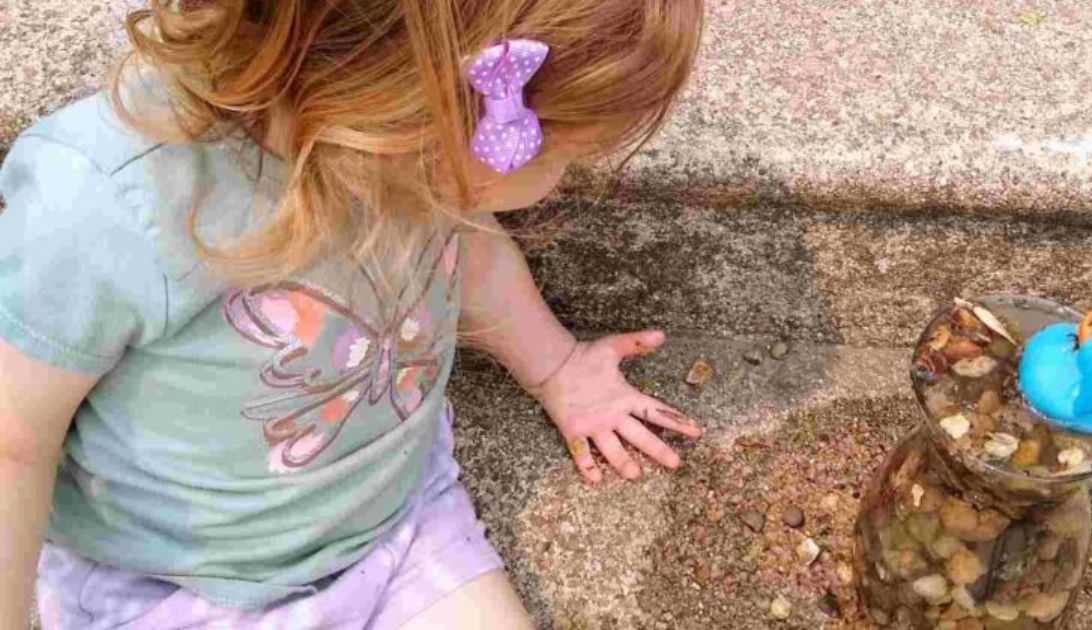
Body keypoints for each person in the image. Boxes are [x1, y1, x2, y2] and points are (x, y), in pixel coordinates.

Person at [0, 0, 704, 627]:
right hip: (169, 574)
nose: (572, 174)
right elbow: (14, 437)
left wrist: (558, 368)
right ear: (453, 116)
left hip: (393, 526)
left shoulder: (417, 161)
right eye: (572, 155)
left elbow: (474, 252)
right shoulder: (114, 204)